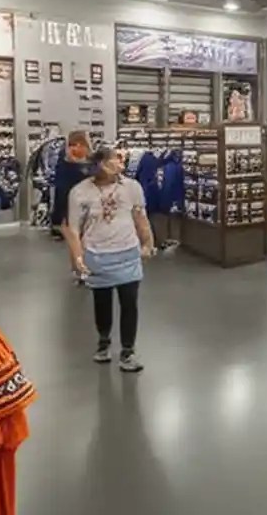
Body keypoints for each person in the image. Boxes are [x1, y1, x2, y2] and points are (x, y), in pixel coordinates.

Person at [62, 146, 154, 373]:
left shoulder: (132, 187)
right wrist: (78, 259)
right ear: (101, 164)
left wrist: (148, 243)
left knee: (129, 303)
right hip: (97, 254)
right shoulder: (79, 192)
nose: (120, 163)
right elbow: (73, 229)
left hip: (127, 252)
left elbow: (140, 217)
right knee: (101, 302)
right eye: (115, 159)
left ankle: (128, 351)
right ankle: (103, 342)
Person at [51, 130, 92, 240]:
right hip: (71, 190)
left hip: (75, 191)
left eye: (80, 144)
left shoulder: (66, 155)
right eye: (74, 144)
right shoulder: (65, 158)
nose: (77, 147)